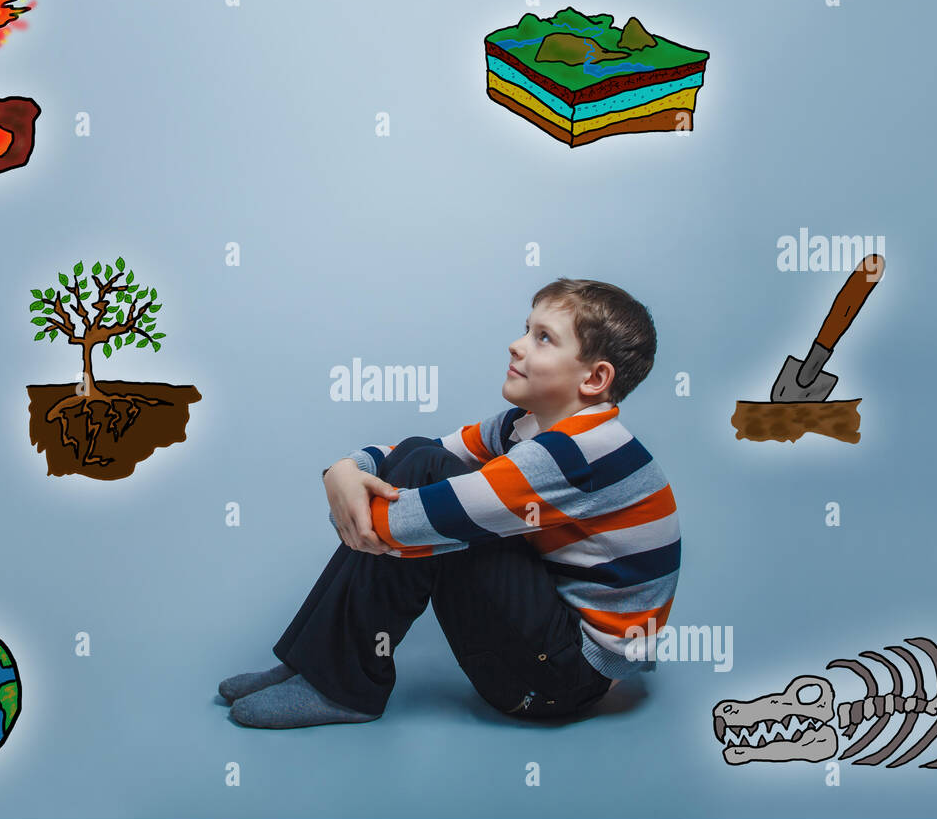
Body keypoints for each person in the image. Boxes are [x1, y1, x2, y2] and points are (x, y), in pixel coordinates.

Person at [219, 278, 681, 727]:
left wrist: (345, 494)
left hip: (557, 682)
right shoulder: (529, 425)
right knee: (424, 453)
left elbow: (406, 519)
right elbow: (418, 451)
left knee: (426, 478)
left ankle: (342, 686)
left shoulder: (574, 453)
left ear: (595, 378)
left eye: (543, 338)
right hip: (556, 644)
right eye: (525, 329)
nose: (516, 345)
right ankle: (313, 663)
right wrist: (345, 469)